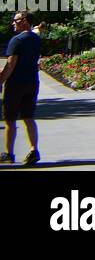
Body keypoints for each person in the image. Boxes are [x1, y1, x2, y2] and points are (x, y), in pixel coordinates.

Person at [1, 11, 41, 166]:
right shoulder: (35, 39)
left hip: (15, 84)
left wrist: (1, 80)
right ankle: (33, 150)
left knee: (10, 120)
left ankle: (9, 154)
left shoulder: (16, 40)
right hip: (32, 82)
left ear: (24, 21)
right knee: (28, 117)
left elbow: (10, 65)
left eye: (15, 20)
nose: (13, 23)